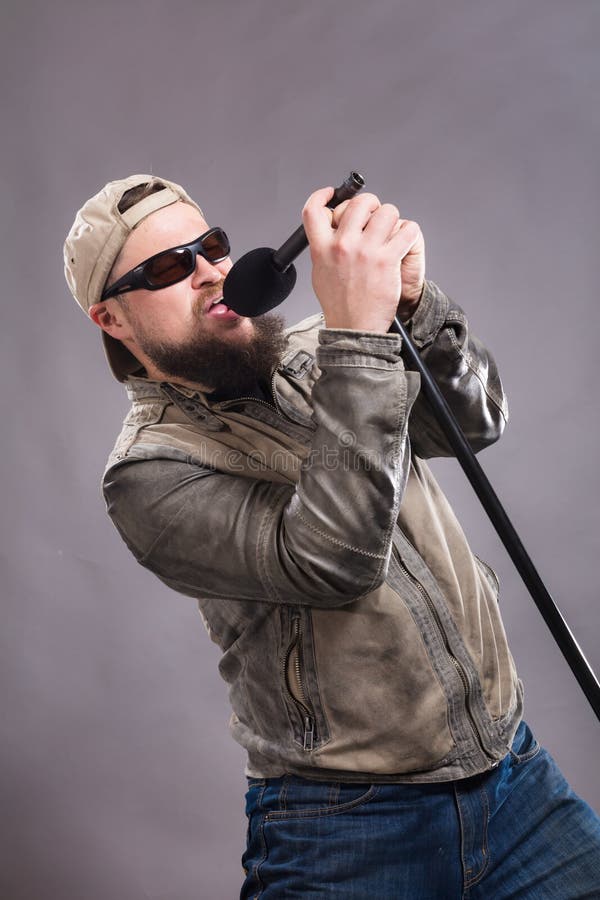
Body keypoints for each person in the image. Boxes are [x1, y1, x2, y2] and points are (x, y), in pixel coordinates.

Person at [64, 174, 600, 898]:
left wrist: (414, 306)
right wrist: (358, 337)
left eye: (211, 247)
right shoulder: (148, 473)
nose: (209, 272)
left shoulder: (329, 352)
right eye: (166, 268)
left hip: (514, 778)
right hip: (345, 827)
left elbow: (475, 422)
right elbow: (336, 561)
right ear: (112, 319)